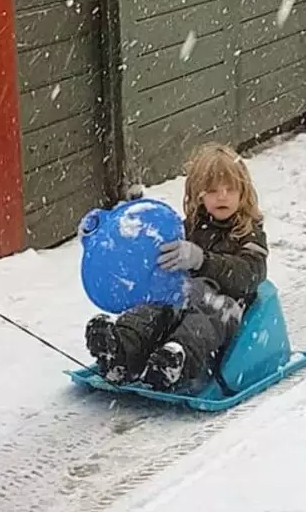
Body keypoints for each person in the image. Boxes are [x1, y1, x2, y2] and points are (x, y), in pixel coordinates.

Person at [84, 143, 269, 391]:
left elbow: (249, 275)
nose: (222, 196)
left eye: (230, 188)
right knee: (151, 309)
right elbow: (157, 253)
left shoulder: (249, 234)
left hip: (226, 304)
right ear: (199, 193)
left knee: (201, 322)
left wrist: (203, 260)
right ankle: (119, 352)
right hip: (181, 293)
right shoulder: (189, 227)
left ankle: (172, 363)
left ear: (243, 192)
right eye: (212, 190)